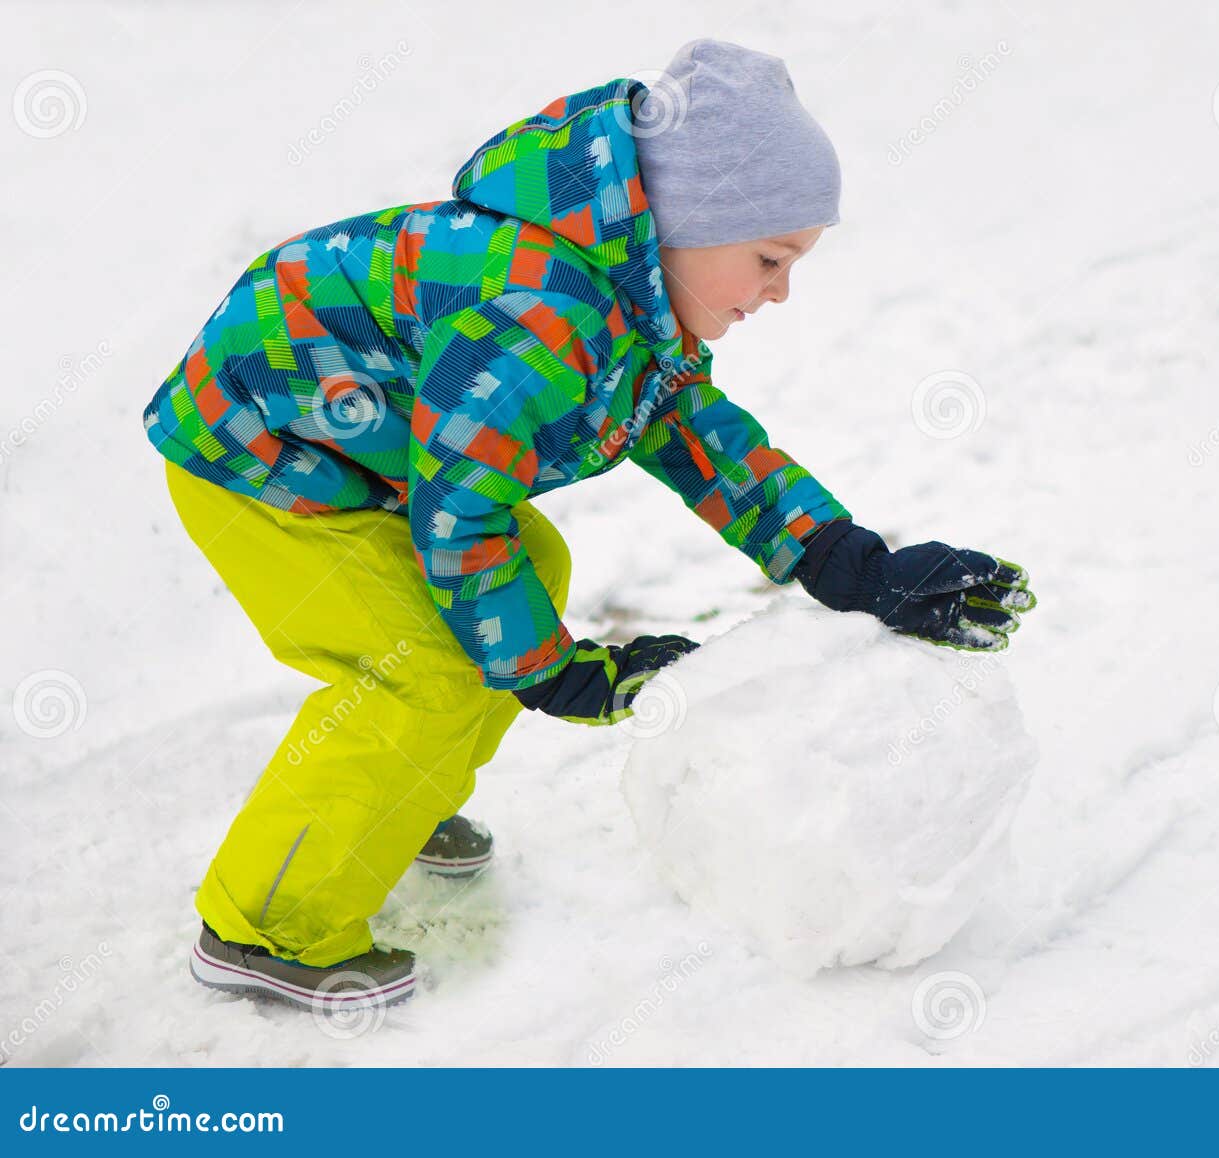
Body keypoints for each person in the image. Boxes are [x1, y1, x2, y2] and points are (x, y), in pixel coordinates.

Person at [145, 38, 1037, 1013]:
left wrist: (858, 567)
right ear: (692, 225)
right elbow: (462, 512)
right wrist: (558, 674)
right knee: (426, 667)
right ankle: (264, 926)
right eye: (770, 258)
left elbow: (707, 444)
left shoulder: (632, 305)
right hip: (254, 453)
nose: (780, 290)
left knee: (530, 564)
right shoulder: (539, 311)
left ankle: (385, 806)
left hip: (355, 451)